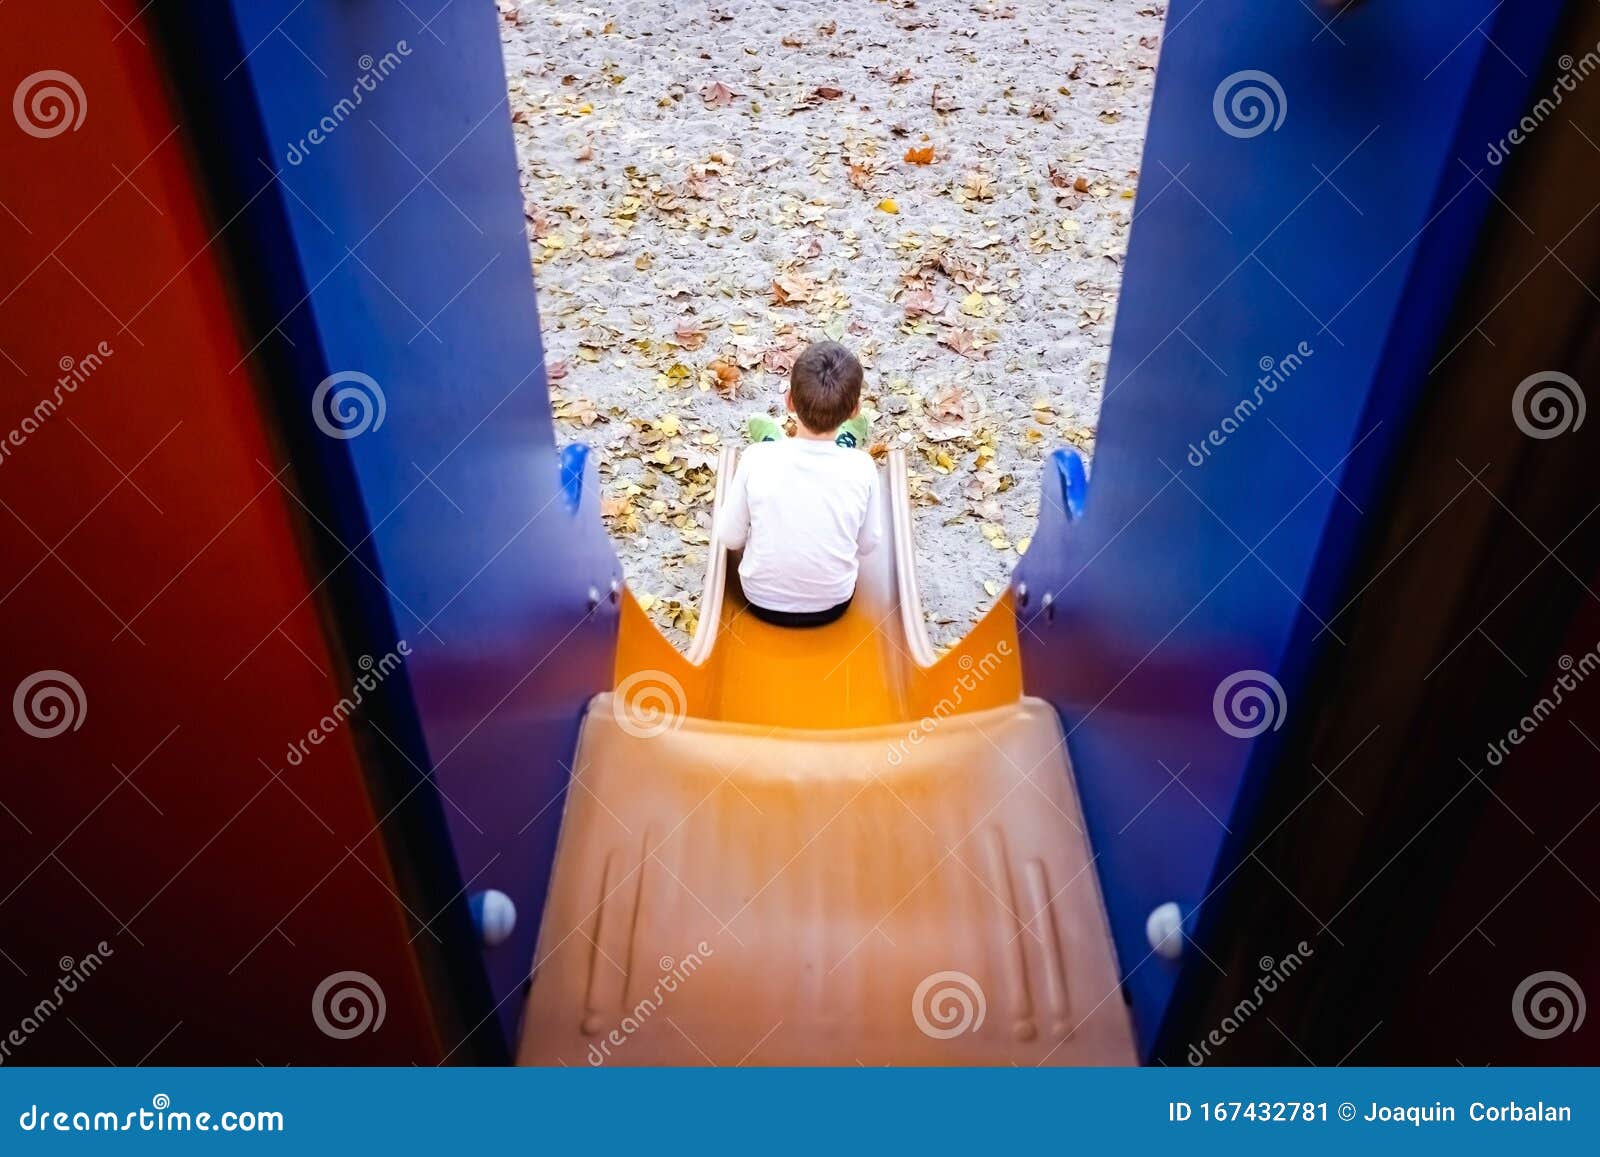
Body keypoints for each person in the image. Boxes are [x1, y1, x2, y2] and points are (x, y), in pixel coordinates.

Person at [714, 341, 881, 627]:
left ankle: (775, 441)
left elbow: (730, 537)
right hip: (833, 604)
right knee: (845, 454)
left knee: (769, 459)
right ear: (854, 410)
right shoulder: (862, 467)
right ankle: (846, 442)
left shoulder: (756, 460)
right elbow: (868, 544)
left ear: (789, 401)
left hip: (759, 600)